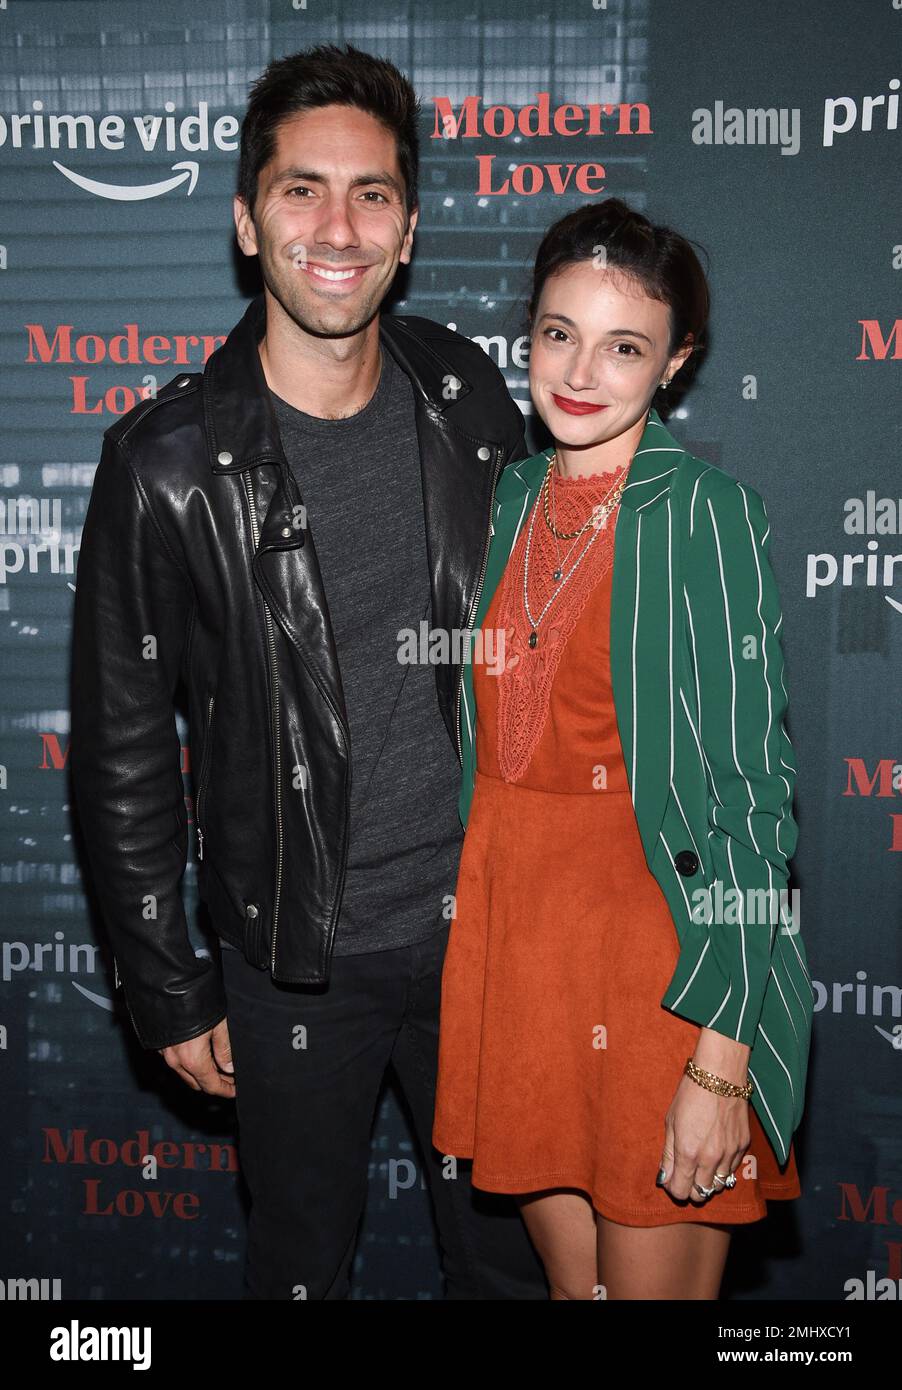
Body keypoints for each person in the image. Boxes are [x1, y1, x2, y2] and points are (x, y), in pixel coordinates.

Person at [70, 43, 547, 1300]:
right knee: (298, 1272)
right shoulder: (162, 462)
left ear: (407, 227)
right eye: (300, 189)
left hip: (484, 940)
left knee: (503, 1268)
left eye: (371, 194)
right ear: (245, 218)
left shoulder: (466, 394)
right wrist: (170, 988)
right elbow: (122, 755)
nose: (336, 227)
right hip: (294, 959)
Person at [431, 197, 815, 1300]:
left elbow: (753, 799)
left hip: (662, 970)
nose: (581, 372)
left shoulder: (704, 515)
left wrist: (719, 1052)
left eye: (623, 346)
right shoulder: (499, 499)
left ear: (675, 362)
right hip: (518, 961)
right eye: (559, 333)